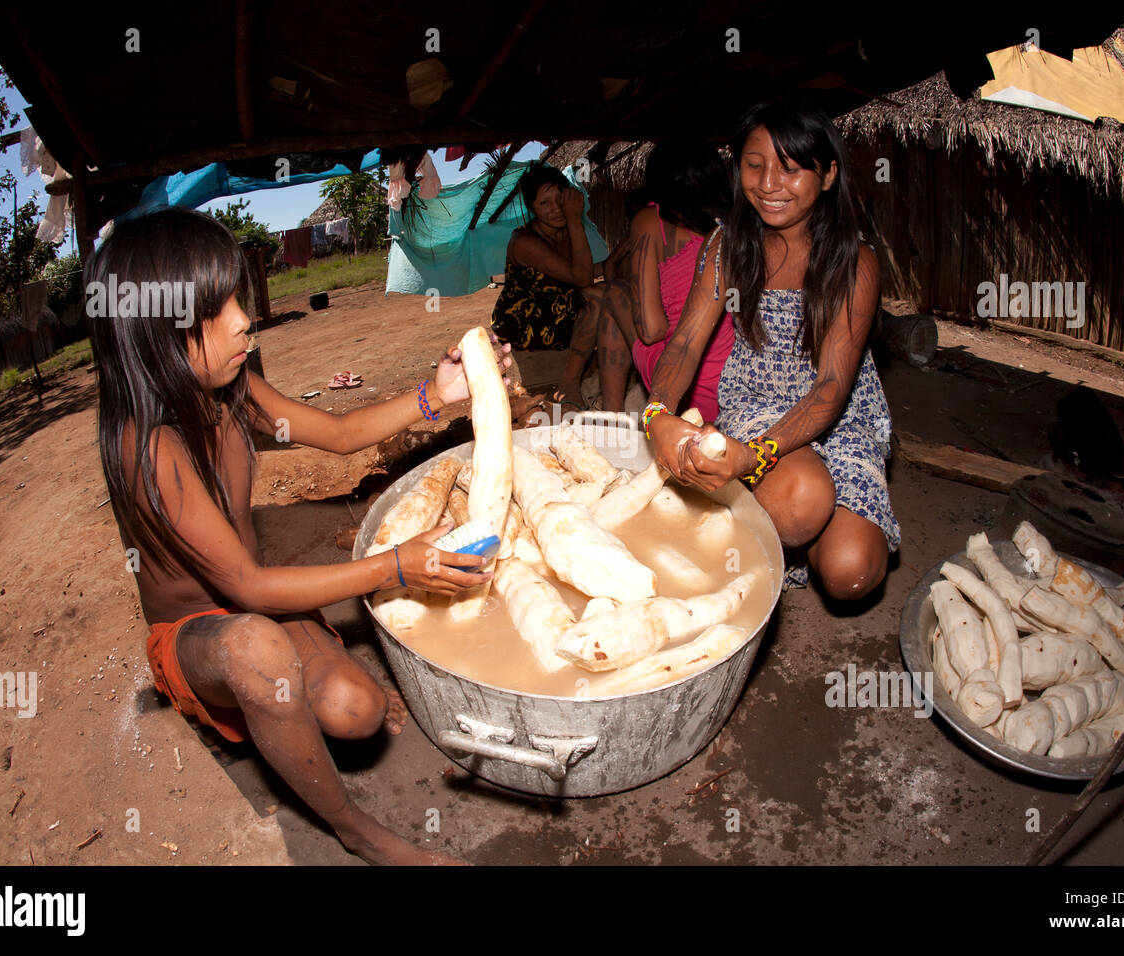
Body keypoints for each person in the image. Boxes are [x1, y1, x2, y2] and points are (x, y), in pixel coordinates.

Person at [88, 208, 506, 865]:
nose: (241, 320)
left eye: (236, 298)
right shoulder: (146, 447)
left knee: (355, 711)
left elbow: (339, 435)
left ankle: (274, 713)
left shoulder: (229, 391)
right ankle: (354, 829)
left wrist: (436, 393)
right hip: (201, 630)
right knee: (258, 651)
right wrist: (395, 564)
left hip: (259, 601)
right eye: (213, 309)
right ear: (151, 333)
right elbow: (244, 586)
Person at [646, 101, 900, 600]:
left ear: (827, 175)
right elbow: (684, 344)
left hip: (841, 416)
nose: (768, 184)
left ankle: (765, 520)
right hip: (758, 404)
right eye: (754, 164)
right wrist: (657, 413)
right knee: (803, 501)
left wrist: (752, 458)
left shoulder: (855, 261)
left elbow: (831, 388)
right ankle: (767, 522)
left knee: (850, 572)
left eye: (790, 167)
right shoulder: (728, 246)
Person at [595, 140, 734, 419]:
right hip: (734, 386)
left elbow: (651, 330)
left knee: (612, 293)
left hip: (679, 386)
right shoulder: (733, 225)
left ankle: (610, 418)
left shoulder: (650, 220)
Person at [490, 164, 604, 411]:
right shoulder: (525, 242)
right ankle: (570, 382)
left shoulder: (563, 232)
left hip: (557, 310)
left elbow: (580, 273)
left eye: (560, 199)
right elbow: (582, 277)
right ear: (531, 208)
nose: (556, 209)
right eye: (544, 203)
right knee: (598, 298)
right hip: (529, 322)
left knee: (610, 293)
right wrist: (575, 219)